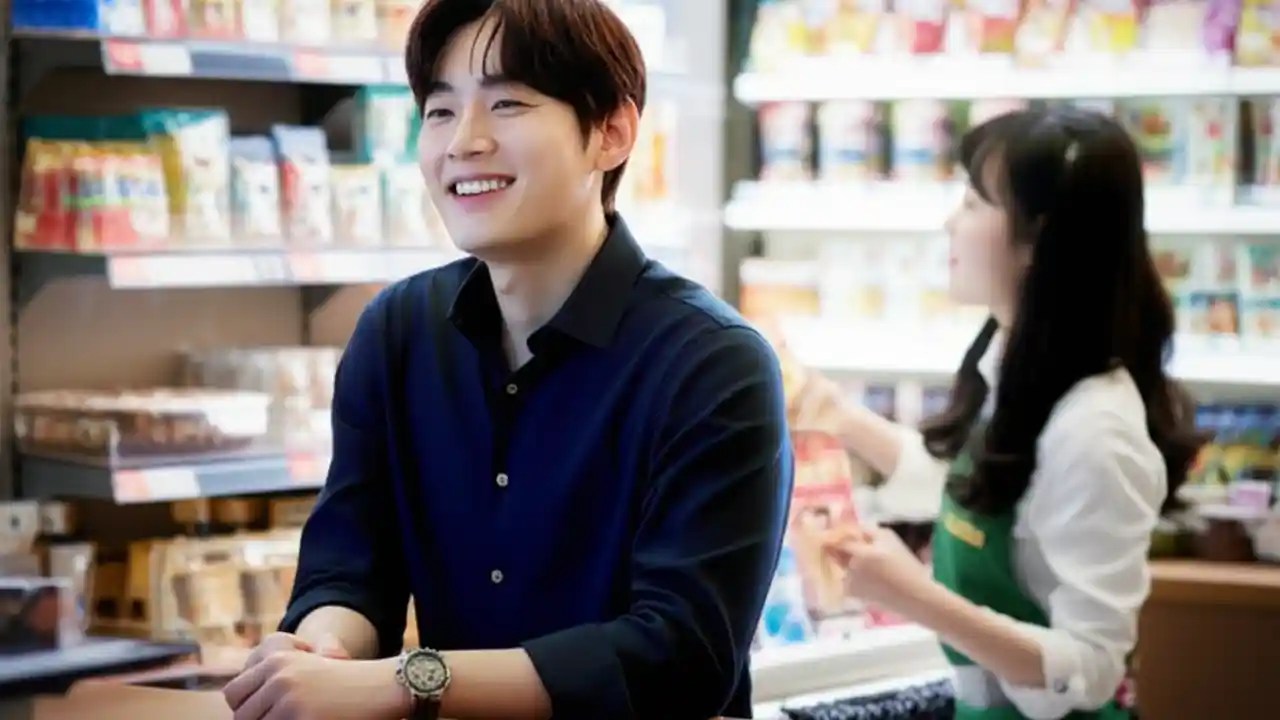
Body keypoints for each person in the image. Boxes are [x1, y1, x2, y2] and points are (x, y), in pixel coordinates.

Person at [221, 1, 793, 719]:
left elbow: (680, 655)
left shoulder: (713, 364)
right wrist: (317, 656)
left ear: (611, 132)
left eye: (508, 103)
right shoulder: (397, 333)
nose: (465, 141)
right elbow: (349, 568)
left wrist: (407, 682)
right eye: (438, 110)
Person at [795, 107, 1202, 719]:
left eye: (972, 202)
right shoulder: (1015, 364)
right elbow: (985, 493)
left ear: (1038, 238)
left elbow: (1088, 669)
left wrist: (914, 595)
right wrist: (836, 416)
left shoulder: (1097, 431)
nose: (949, 222)